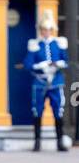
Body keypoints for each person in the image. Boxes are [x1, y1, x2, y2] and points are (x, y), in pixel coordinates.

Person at [26, 9, 69, 152]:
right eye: (44, 30)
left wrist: (58, 64)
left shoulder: (58, 44)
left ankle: (59, 141)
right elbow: (28, 63)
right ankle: (37, 142)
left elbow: (65, 60)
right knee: (37, 111)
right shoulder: (35, 45)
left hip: (55, 81)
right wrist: (40, 66)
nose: (46, 32)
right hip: (40, 81)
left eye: (48, 30)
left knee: (58, 111)